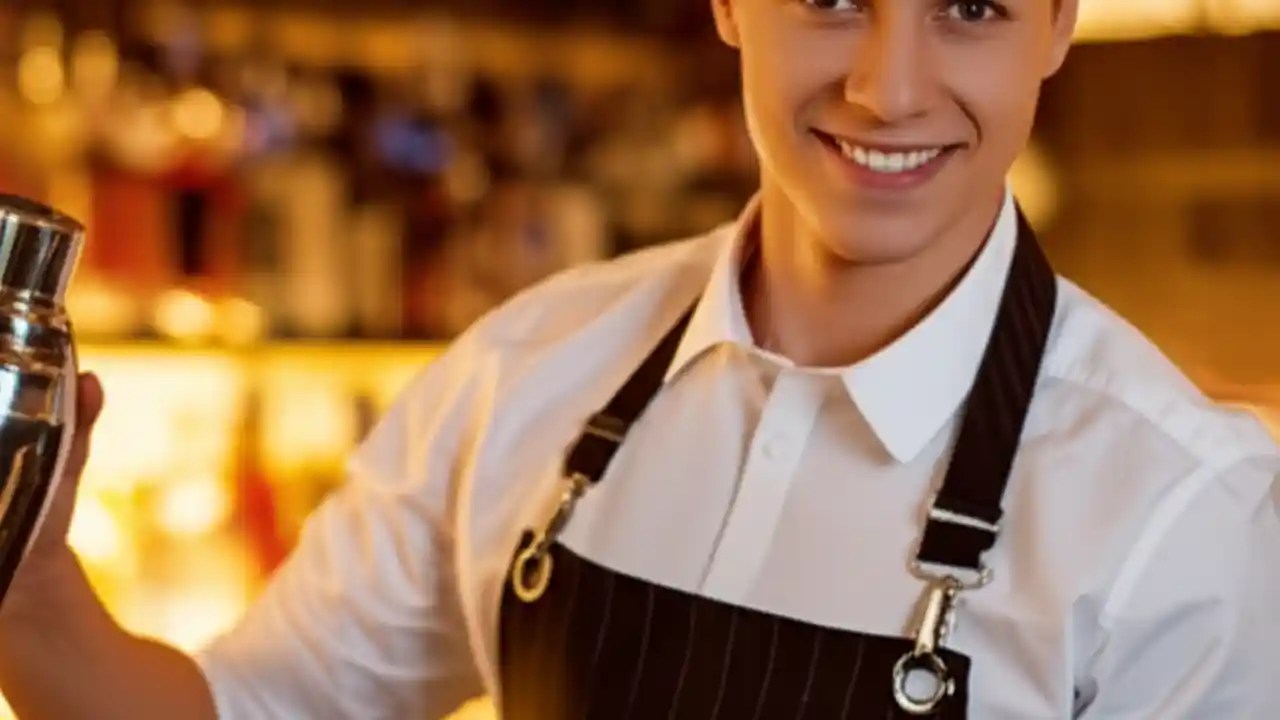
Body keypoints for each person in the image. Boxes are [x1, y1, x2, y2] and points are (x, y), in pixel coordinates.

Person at [2, 0, 1278, 717]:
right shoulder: (532, 368)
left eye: (969, 10)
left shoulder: (1182, 517)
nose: (890, 89)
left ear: (1054, 23)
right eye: (833, 0)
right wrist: (27, 573)